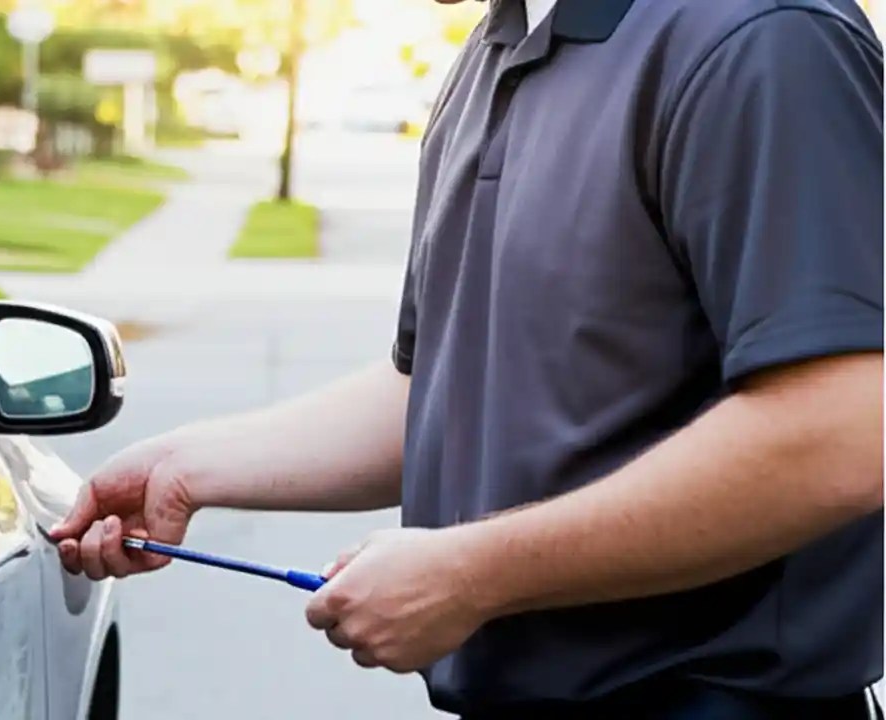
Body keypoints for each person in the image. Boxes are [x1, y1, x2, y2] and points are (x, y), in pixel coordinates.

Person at [50, 0, 885, 717]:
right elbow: (440, 387)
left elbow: (843, 432)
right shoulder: (498, 46)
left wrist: (470, 574)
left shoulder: (762, 40)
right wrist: (190, 468)